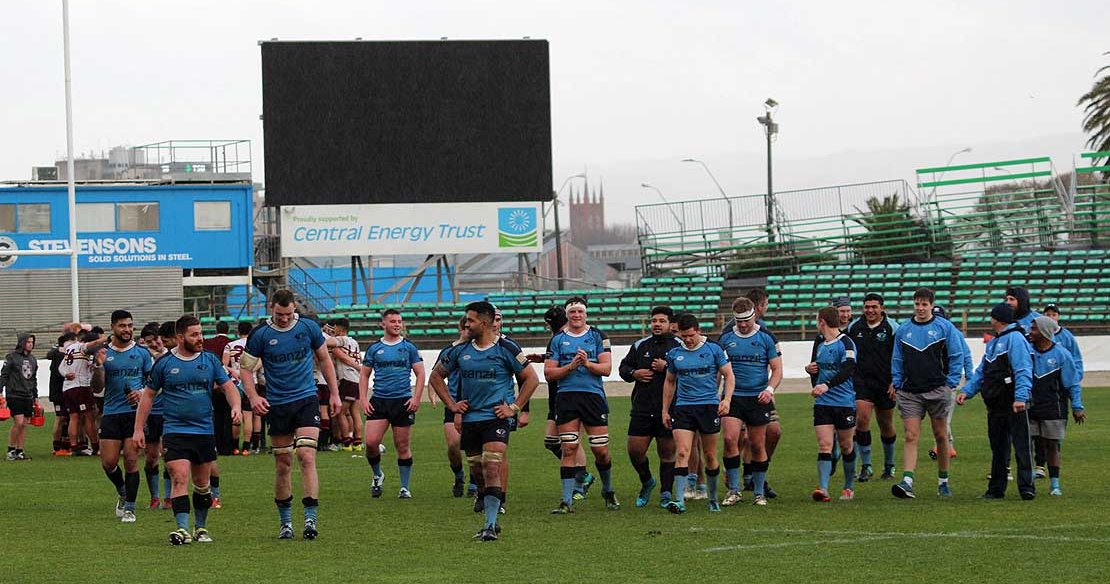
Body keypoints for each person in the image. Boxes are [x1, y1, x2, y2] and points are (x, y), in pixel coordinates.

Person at [429, 301, 540, 541]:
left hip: (495, 418)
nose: (466, 324)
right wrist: (452, 405)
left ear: (485, 322)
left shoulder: (506, 348)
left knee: (492, 465)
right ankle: (485, 500)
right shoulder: (459, 350)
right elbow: (436, 376)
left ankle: (490, 525)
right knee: (478, 469)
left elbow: (531, 378)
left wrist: (514, 407)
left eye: (470, 320)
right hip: (470, 418)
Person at [239, 289, 341, 540]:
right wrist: (253, 397)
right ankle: (285, 523)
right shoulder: (260, 334)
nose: (284, 318)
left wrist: (334, 393)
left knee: (307, 455)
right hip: (277, 405)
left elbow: (325, 360)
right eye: (279, 314)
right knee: (283, 464)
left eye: (288, 314)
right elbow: (244, 369)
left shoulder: (307, 327)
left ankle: (310, 520)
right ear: (271, 308)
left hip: (306, 399)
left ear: (294, 308)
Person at [133, 315, 242, 545]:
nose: (200, 338)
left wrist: (237, 406)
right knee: (179, 477)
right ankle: (182, 529)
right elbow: (148, 397)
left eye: (201, 333)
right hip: (175, 430)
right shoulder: (164, 364)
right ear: (180, 337)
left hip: (203, 430)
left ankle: (200, 527)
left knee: (202, 485)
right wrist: (138, 429)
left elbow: (229, 386)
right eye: (194, 334)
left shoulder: (210, 361)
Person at [545, 296, 618, 513]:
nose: (577, 315)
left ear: (586, 314)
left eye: (580, 312)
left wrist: (586, 363)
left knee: (600, 450)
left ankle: (608, 489)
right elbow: (549, 373)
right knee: (569, 448)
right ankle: (566, 501)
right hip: (567, 398)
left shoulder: (598, 336)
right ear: (567, 315)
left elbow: (606, 369)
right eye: (573, 312)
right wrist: (570, 366)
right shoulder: (557, 339)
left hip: (593, 398)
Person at [890, 287, 964, 499]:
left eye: (924, 304)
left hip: (937, 390)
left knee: (941, 435)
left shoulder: (944, 327)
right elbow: (897, 359)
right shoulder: (904, 330)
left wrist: (950, 384)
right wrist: (897, 382)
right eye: (917, 304)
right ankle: (907, 481)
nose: (920, 308)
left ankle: (943, 480)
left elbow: (956, 356)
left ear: (931, 305)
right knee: (911, 435)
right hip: (910, 392)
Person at [956, 303, 1035, 500]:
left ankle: (1027, 487)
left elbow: (1023, 369)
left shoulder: (1015, 339)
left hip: (1012, 402)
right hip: (996, 403)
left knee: (1022, 446)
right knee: (998, 448)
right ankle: (996, 489)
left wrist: (1020, 397)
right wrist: (967, 391)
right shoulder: (995, 343)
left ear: (997, 319)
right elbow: (983, 371)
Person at [661, 313, 733, 513]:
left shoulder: (714, 349)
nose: (687, 340)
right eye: (683, 336)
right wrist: (665, 410)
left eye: (691, 335)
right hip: (683, 407)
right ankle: (679, 500)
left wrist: (726, 399)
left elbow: (729, 375)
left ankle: (712, 498)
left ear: (698, 331)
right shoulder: (675, 354)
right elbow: (669, 382)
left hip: (709, 406)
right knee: (682, 451)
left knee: (710, 455)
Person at [718, 298, 781, 506]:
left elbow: (777, 369)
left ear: (754, 314)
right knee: (729, 439)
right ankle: (734, 490)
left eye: (746, 320)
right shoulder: (726, 338)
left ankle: (758, 491)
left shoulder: (766, 337)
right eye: (739, 321)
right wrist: (716, 394)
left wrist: (769, 390)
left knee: (756, 444)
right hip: (734, 397)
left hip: (758, 398)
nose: (743, 325)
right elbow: (719, 368)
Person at [618, 305, 681, 508]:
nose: (657, 324)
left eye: (662, 321)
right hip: (642, 408)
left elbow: (691, 372)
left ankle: (665, 493)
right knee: (635, 451)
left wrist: (668, 367)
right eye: (654, 321)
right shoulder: (640, 345)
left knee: (667, 453)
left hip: (670, 409)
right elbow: (623, 368)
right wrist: (634, 373)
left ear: (671, 324)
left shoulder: (680, 346)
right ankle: (647, 481)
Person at [359, 309, 425, 499]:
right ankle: (378, 475)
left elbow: (421, 373)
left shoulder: (409, 347)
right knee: (371, 443)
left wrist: (416, 397)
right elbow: (364, 375)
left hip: (402, 401)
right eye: (393, 321)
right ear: (383, 324)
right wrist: (364, 399)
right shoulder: (374, 348)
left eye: (399, 321)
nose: (397, 324)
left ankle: (404, 487)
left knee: (402, 446)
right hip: (379, 401)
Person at [96, 311, 154, 523]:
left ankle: (130, 507)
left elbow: (154, 383)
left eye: (130, 325)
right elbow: (97, 387)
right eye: (122, 326)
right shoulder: (103, 353)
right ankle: (122, 490)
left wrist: (141, 392)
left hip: (134, 414)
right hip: (111, 413)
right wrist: (99, 366)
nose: (127, 330)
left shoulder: (141, 353)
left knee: (131, 460)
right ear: (113, 327)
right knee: (108, 463)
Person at [1026, 316, 1084, 496]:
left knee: (1052, 445)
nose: (1030, 332)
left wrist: (1077, 406)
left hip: (1054, 407)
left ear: (1044, 332)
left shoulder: (1061, 355)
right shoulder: (1027, 352)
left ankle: (1055, 484)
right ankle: (1028, 482)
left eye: (1034, 329)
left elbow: (1072, 383)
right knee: (1029, 443)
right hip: (1030, 406)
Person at [845, 293, 898, 481]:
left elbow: (899, 357)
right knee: (862, 419)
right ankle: (866, 466)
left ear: (882, 308)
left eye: (874, 307)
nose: (870, 310)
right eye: (867, 307)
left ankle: (889, 466)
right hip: (862, 383)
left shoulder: (892, 328)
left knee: (886, 424)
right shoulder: (854, 327)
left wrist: (895, 381)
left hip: (885, 384)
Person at [808, 307, 859, 502]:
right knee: (824, 445)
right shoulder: (820, 344)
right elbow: (818, 369)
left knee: (846, 446)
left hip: (844, 402)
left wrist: (827, 385)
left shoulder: (846, 342)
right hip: (823, 403)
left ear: (822, 321)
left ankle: (848, 487)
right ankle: (823, 488)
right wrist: (811, 369)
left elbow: (849, 368)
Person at [928, 304, 973, 461]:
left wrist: (969, 378)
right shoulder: (928, 333)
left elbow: (965, 355)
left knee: (943, 416)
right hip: (932, 381)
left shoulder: (953, 333)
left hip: (948, 381)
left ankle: (940, 447)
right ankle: (950, 447)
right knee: (941, 415)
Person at [61, 331, 108, 456]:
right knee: (89, 416)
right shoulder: (82, 347)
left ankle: (74, 446)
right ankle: (95, 446)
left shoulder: (69, 348)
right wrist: (106, 338)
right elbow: (94, 343)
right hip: (80, 386)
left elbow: (61, 367)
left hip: (67, 388)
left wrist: (66, 374)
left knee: (74, 417)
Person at [139, 322, 170, 509]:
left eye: (156, 340)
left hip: (169, 412)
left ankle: (168, 497)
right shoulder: (145, 359)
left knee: (169, 454)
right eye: (149, 342)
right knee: (151, 456)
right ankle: (154, 497)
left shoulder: (171, 356)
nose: (154, 344)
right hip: (151, 413)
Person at [2, 333, 38, 461]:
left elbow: (33, 379)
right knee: (19, 422)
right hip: (14, 394)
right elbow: (4, 375)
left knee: (24, 424)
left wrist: (35, 395)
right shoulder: (11, 357)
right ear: (22, 342)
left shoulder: (33, 359)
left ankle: (20, 450)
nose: (30, 344)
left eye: (32, 342)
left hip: (28, 394)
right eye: (28, 342)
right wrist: (0, 391)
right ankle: (11, 449)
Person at [328, 319, 362, 451]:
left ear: (340, 329)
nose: (333, 330)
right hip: (356, 379)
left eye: (334, 327)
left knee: (340, 412)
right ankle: (357, 442)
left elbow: (328, 344)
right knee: (354, 412)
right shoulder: (354, 342)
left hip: (347, 379)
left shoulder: (342, 340)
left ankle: (347, 442)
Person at [223, 321, 256, 455]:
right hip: (251, 381)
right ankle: (247, 448)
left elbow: (224, 364)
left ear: (238, 331)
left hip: (234, 382)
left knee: (236, 415)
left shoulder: (230, 345)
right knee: (248, 416)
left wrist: (233, 371)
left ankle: (235, 447)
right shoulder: (254, 344)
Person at [47, 333, 75, 456]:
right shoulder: (59, 355)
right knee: (60, 418)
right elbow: (59, 372)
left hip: (66, 391)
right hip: (58, 392)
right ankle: (57, 446)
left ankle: (65, 445)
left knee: (67, 418)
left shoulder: (65, 354)